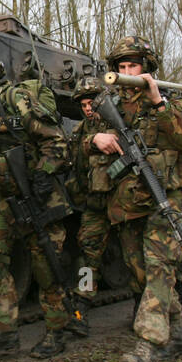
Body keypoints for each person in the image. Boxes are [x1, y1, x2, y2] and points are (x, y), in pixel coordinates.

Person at [0, 47, 82, 360]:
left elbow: (55, 140)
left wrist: (43, 175)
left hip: (40, 199)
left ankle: (57, 330)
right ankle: (6, 333)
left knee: (47, 266)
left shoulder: (14, 100)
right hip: (2, 201)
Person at [86, 37, 182, 362]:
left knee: (161, 267)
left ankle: (148, 347)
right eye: (121, 67)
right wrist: (95, 139)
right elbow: (78, 142)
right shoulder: (107, 104)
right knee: (143, 275)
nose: (126, 73)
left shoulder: (170, 101)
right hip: (125, 203)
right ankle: (178, 342)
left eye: (132, 66)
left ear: (146, 68)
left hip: (162, 200)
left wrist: (158, 103)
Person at [67, 75, 116, 313]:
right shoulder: (78, 131)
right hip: (94, 204)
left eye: (92, 104)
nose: (88, 109)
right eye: (84, 105)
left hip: (122, 203)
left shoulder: (118, 124)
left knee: (134, 256)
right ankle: (82, 305)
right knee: (87, 255)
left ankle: (142, 305)